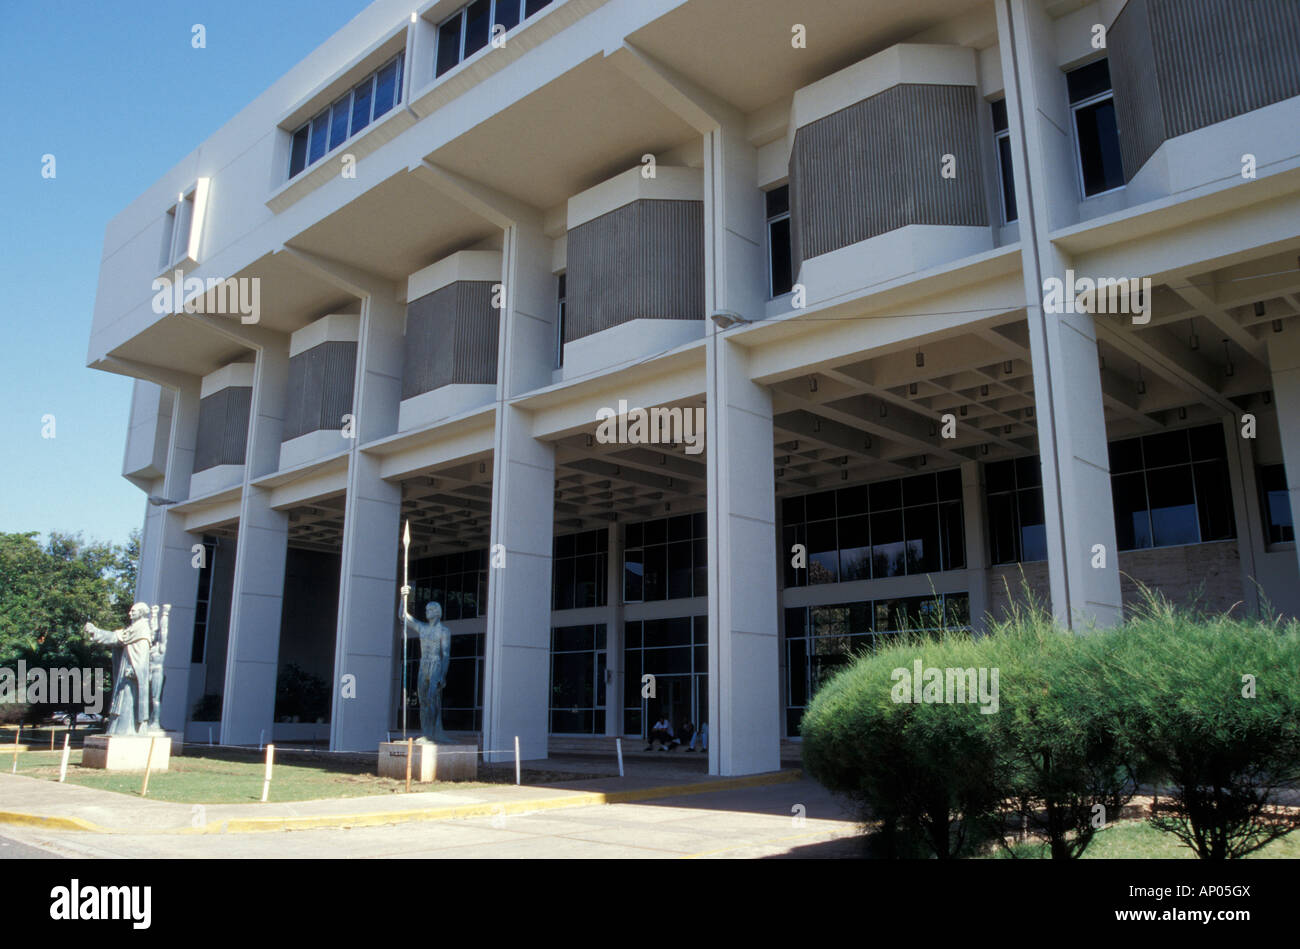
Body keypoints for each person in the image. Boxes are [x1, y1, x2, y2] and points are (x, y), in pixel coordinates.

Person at [84, 603, 153, 736]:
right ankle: (117, 730)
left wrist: (135, 670)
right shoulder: (132, 630)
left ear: (141, 613)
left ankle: (128, 731)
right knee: (120, 700)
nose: (130, 613)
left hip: (133, 674)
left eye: (133, 611)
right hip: (125, 670)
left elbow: (143, 654)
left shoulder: (143, 629)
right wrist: (95, 631)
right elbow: (115, 637)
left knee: (128, 701)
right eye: (130, 611)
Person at [400, 590, 451, 743]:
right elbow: (403, 616)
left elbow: (446, 655)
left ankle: (432, 734)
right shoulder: (422, 627)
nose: (426, 612)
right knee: (422, 700)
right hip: (424, 665)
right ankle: (426, 732)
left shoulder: (444, 631)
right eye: (426, 609)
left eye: (429, 609)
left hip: (436, 664)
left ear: (437, 612)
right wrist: (403, 597)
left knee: (432, 698)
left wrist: (442, 675)